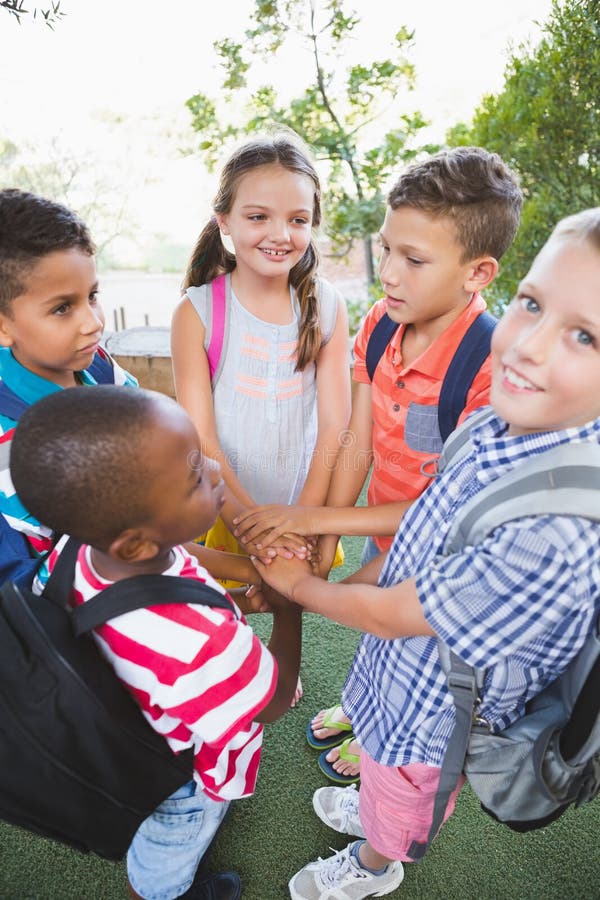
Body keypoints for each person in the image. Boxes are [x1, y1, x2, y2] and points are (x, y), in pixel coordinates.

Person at [250, 206, 600, 899]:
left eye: (584, 336)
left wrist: (298, 586)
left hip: (441, 703)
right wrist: (358, 569)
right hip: (400, 670)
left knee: (408, 791)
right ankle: (374, 807)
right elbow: (424, 527)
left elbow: (402, 615)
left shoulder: (562, 529)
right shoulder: (498, 416)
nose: (526, 345)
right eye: (531, 304)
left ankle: (378, 863)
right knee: (382, 761)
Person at [234, 146, 523, 779]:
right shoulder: (383, 323)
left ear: (478, 273)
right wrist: (321, 536)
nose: (389, 273)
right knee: (372, 633)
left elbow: (444, 510)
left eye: (413, 260)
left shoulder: (490, 371)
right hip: (383, 531)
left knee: (412, 649)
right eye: (388, 249)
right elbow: (355, 443)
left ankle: (386, 738)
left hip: (446, 552)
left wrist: (308, 544)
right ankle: (366, 710)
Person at [10, 385, 303, 900]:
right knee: (168, 852)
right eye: (195, 477)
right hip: (179, 775)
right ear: (137, 542)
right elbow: (272, 701)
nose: (216, 472)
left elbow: (175, 579)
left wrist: (237, 601)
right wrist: (290, 610)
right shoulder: (197, 642)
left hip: (133, 725)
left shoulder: (82, 545)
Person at [0, 188, 260, 594]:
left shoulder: (98, 367)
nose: (92, 323)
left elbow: (147, 526)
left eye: (93, 296)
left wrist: (250, 573)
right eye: (62, 308)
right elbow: (46, 590)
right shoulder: (8, 447)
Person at [171, 130, 351, 702]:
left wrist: (303, 518)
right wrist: (253, 524)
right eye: (258, 216)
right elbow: (202, 439)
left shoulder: (326, 304)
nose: (280, 234)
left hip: (299, 496)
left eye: (298, 219)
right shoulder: (197, 311)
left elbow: (335, 425)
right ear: (224, 220)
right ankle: (230, 673)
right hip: (226, 497)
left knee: (288, 596)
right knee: (225, 597)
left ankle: (286, 674)